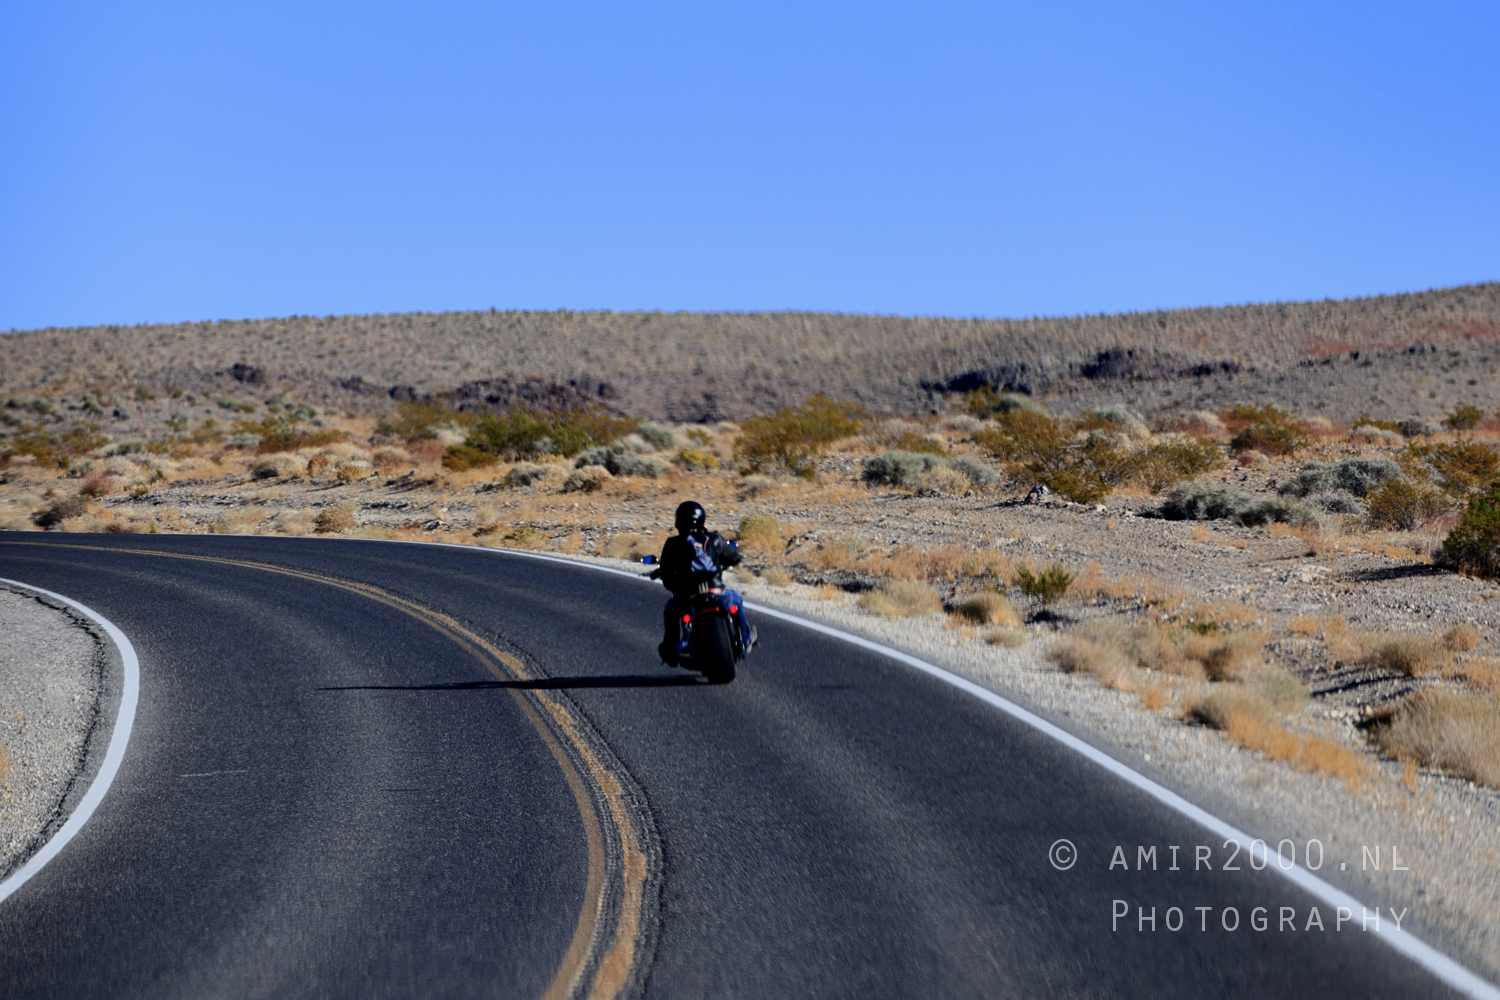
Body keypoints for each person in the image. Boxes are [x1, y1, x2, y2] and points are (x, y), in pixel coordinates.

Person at [655, 500, 755, 665]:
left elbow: (666, 575)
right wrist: (735, 559)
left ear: (678, 520)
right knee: (736, 600)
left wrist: (676, 587)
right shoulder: (714, 538)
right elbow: (733, 557)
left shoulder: (672, 544)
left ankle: (671, 651)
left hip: (689, 596)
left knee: (671, 611)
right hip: (717, 592)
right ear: (702, 519)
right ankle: (746, 638)